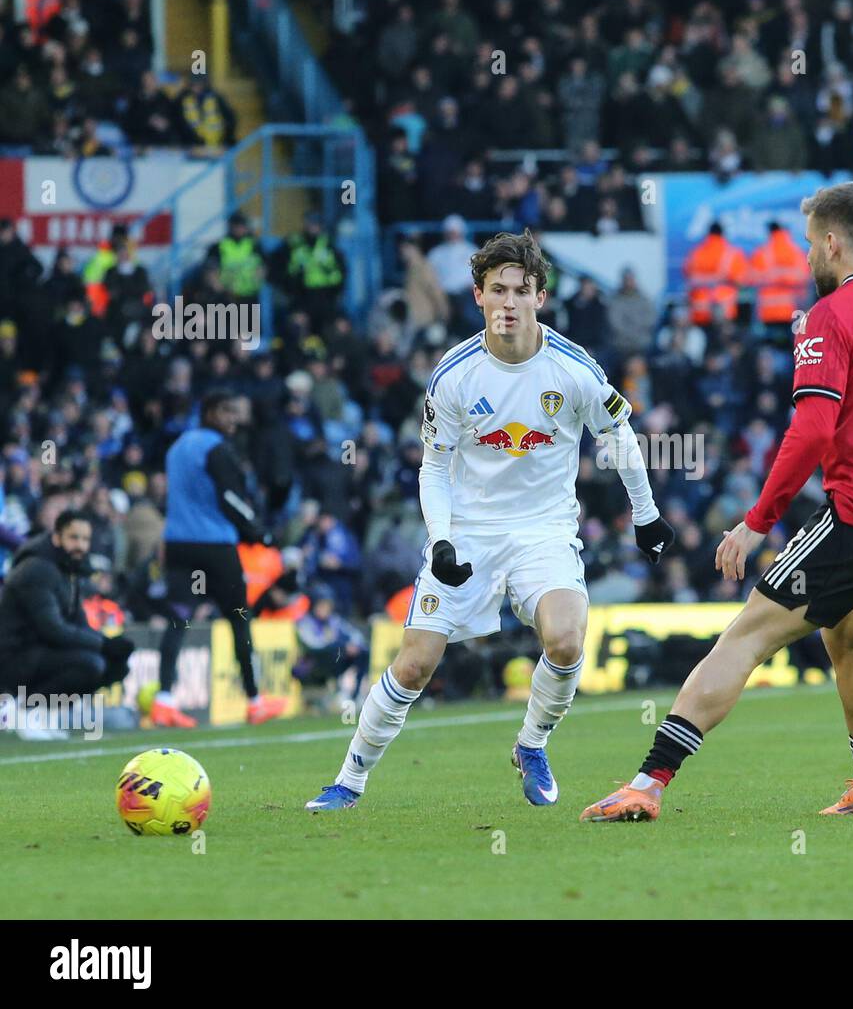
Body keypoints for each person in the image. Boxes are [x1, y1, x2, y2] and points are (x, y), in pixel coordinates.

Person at [581, 181, 853, 822]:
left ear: (834, 243)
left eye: (812, 244)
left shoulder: (833, 315)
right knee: (848, 635)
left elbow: (813, 429)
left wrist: (756, 522)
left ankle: (647, 784)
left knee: (745, 637)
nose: (808, 257)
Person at [306, 230, 675, 812]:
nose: (508, 302)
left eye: (520, 291)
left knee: (566, 636)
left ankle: (531, 744)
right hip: (470, 532)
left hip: (544, 532)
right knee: (415, 662)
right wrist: (443, 540)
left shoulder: (574, 369)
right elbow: (433, 468)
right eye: (496, 289)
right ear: (477, 295)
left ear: (540, 298)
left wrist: (647, 516)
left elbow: (621, 437)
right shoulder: (453, 375)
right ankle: (348, 781)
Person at [154, 391, 288, 728]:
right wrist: (260, 533)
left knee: (177, 619)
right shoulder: (217, 448)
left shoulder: (177, 447)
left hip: (177, 543)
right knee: (240, 618)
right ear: (210, 412)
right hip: (214, 545)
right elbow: (230, 497)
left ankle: (164, 699)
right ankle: (254, 700)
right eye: (228, 412)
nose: (234, 420)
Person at [0, 510, 135, 725]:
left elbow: (78, 624)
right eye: (74, 538)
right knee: (90, 664)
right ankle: (28, 713)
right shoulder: (37, 569)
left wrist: (109, 645)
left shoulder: (68, 571)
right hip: (13, 658)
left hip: (38, 653)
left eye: (85, 539)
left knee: (115, 665)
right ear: (57, 537)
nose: (80, 546)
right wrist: (102, 645)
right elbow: (52, 630)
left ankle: (48, 716)